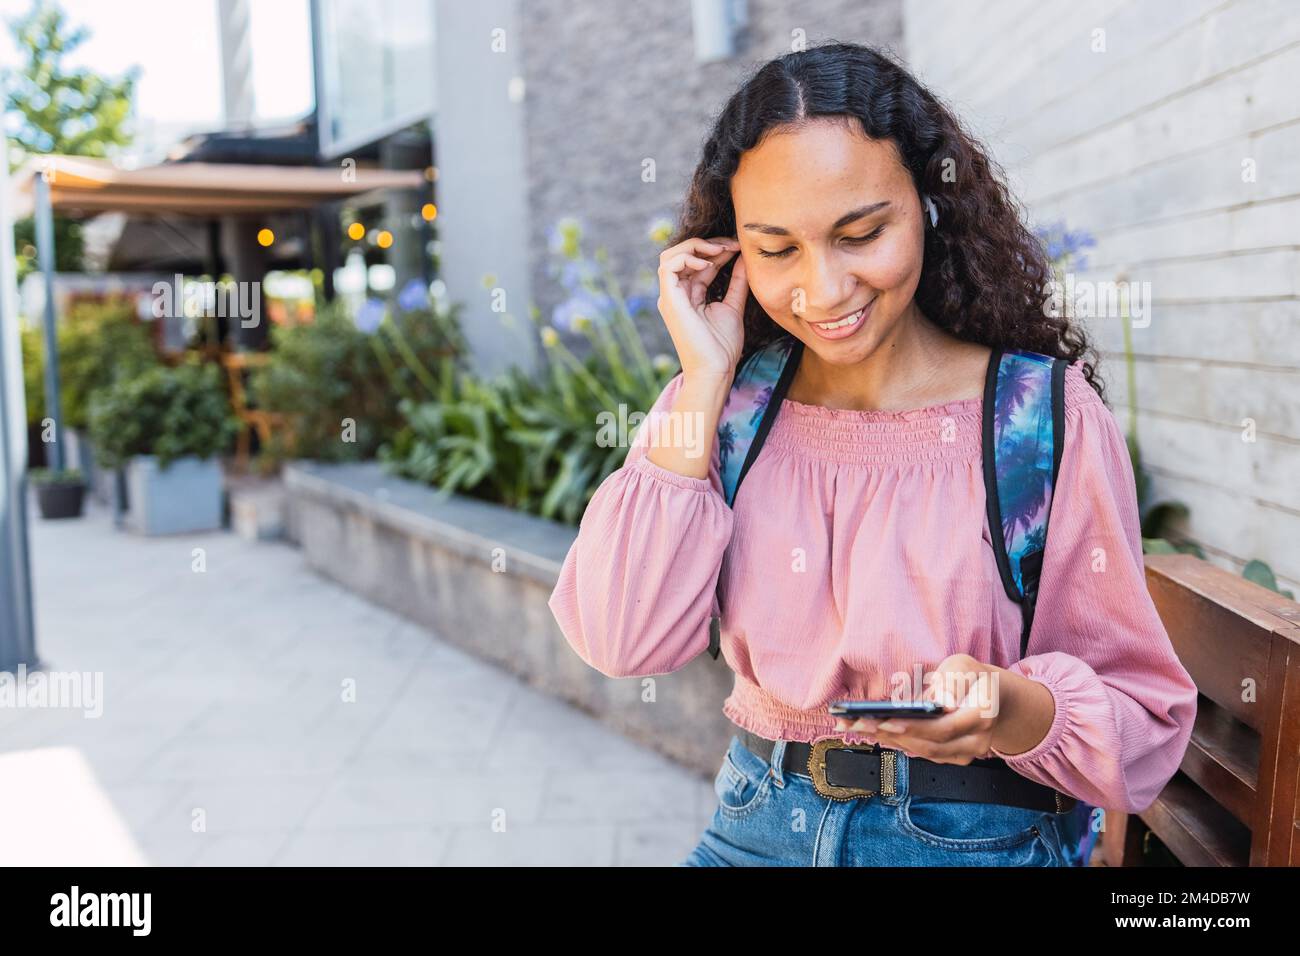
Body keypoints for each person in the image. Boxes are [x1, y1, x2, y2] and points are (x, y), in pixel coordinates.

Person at [546, 42, 1198, 867]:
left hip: (973, 841)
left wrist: (1007, 709)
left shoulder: (1037, 418)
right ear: (732, 247)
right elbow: (622, 639)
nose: (822, 291)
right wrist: (703, 380)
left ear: (928, 200)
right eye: (776, 249)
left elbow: (1143, 716)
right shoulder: (722, 409)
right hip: (753, 827)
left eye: (860, 233)